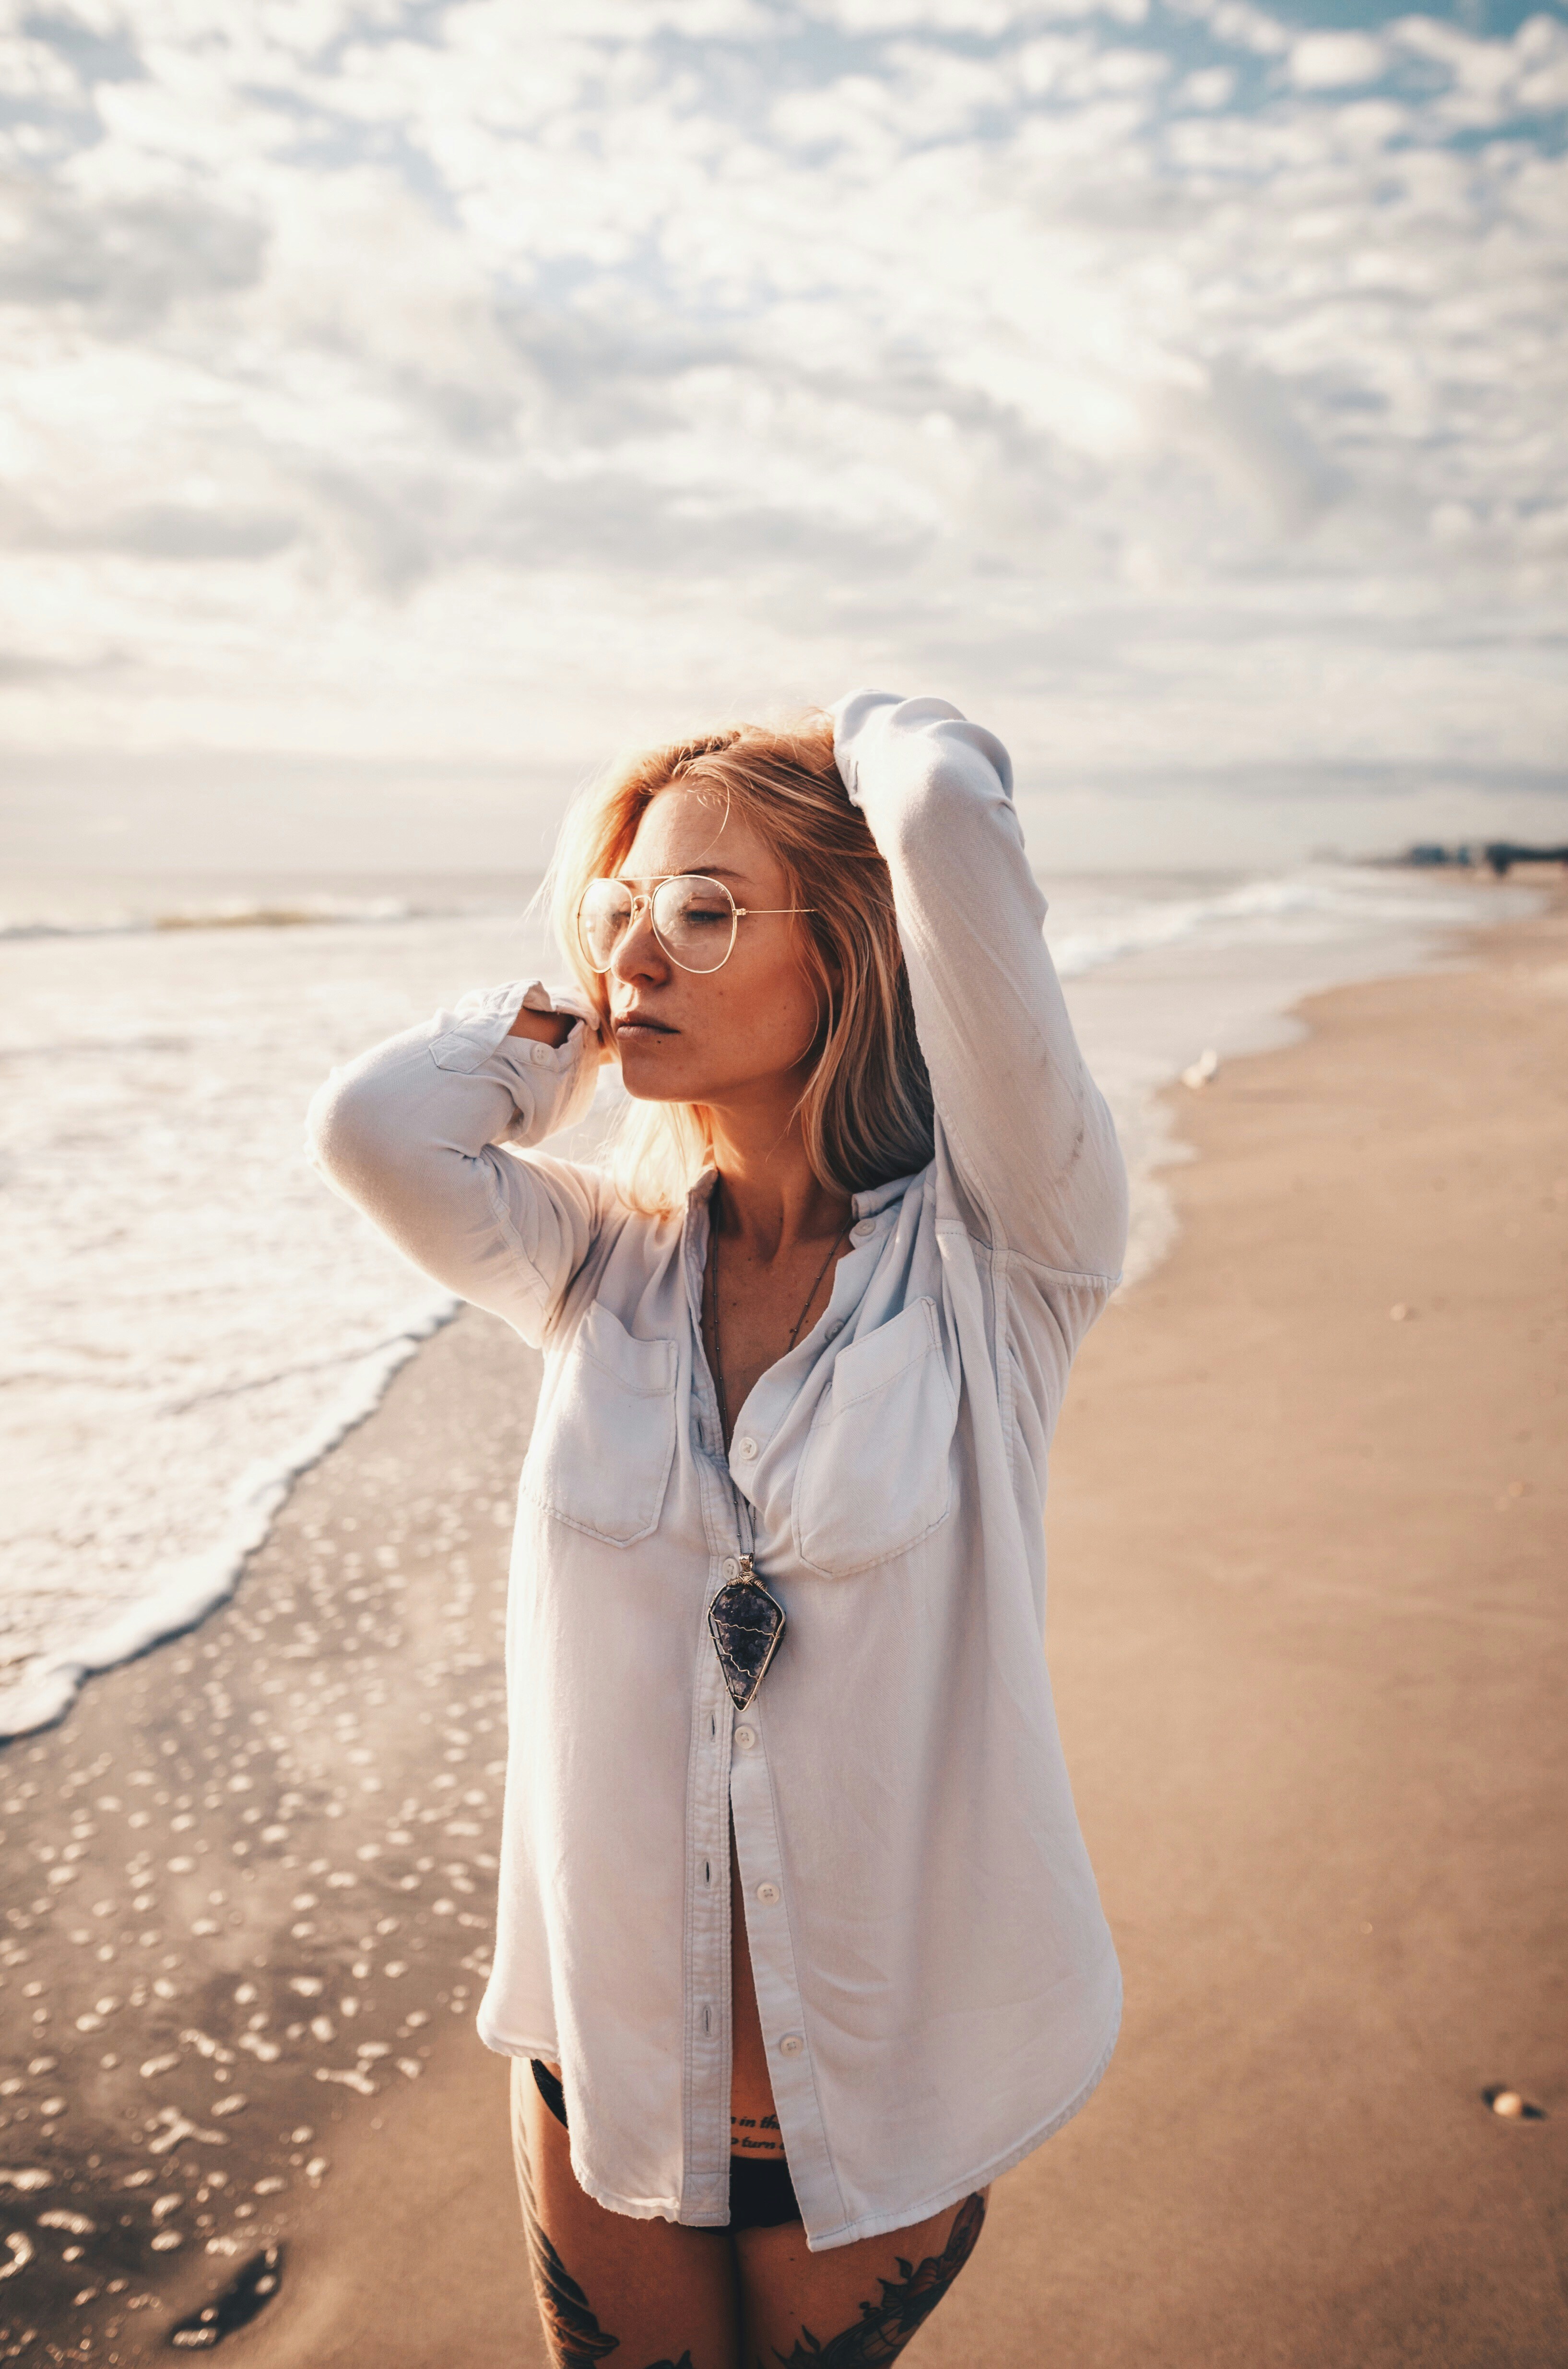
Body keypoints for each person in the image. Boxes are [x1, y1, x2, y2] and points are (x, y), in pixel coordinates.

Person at [307, 691, 1128, 2369]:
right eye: (626, 912)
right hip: (605, 2081)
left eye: (705, 912)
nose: (642, 960)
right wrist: (566, 1019)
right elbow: (376, 1128)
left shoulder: (1003, 1261)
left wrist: (855, 724)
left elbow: (949, 816)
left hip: (880, 2109)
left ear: (854, 951)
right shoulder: (594, 1265)